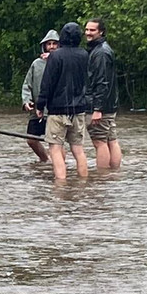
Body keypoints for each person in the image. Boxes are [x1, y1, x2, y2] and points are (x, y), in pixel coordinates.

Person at [35, 22, 90, 181]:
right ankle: (83, 182)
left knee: (55, 148)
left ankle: (61, 183)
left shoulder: (56, 56)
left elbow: (47, 83)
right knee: (78, 150)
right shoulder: (84, 55)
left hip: (57, 110)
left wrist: (40, 105)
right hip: (79, 109)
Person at [85, 18, 122, 170]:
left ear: (101, 32)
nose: (88, 33)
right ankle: (113, 174)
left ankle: (102, 177)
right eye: (86, 29)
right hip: (109, 104)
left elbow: (102, 81)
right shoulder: (102, 49)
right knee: (111, 139)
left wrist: (97, 108)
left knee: (99, 141)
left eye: (92, 30)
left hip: (101, 106)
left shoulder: (100, 53)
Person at [20, 29, 59, 163]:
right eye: (49, 44)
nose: (52, 47)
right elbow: (27, 85)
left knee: (56, 143)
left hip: (55, 110)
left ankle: (59, 165)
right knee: (31, 139)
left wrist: (53, 59)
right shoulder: (36, 64)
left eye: (54, 43)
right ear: (44, 46)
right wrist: (26, 101)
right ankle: (45, 160)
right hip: (37, 110)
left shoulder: (63, 62)